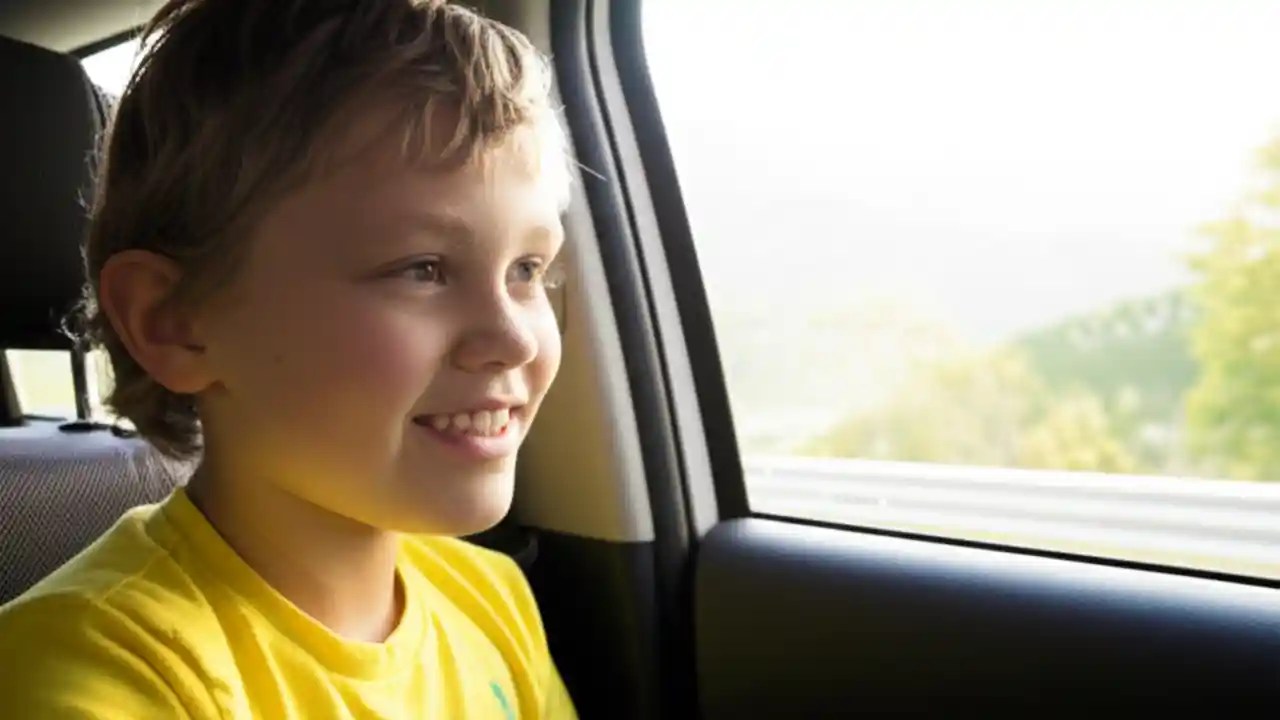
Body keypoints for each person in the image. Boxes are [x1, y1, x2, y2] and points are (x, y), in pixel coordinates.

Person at [0, 0, 577, 717]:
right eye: (422, 268)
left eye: (528, 269)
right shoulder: (93, 672)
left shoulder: (493, 600)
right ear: (175, 323)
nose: (516, 337)